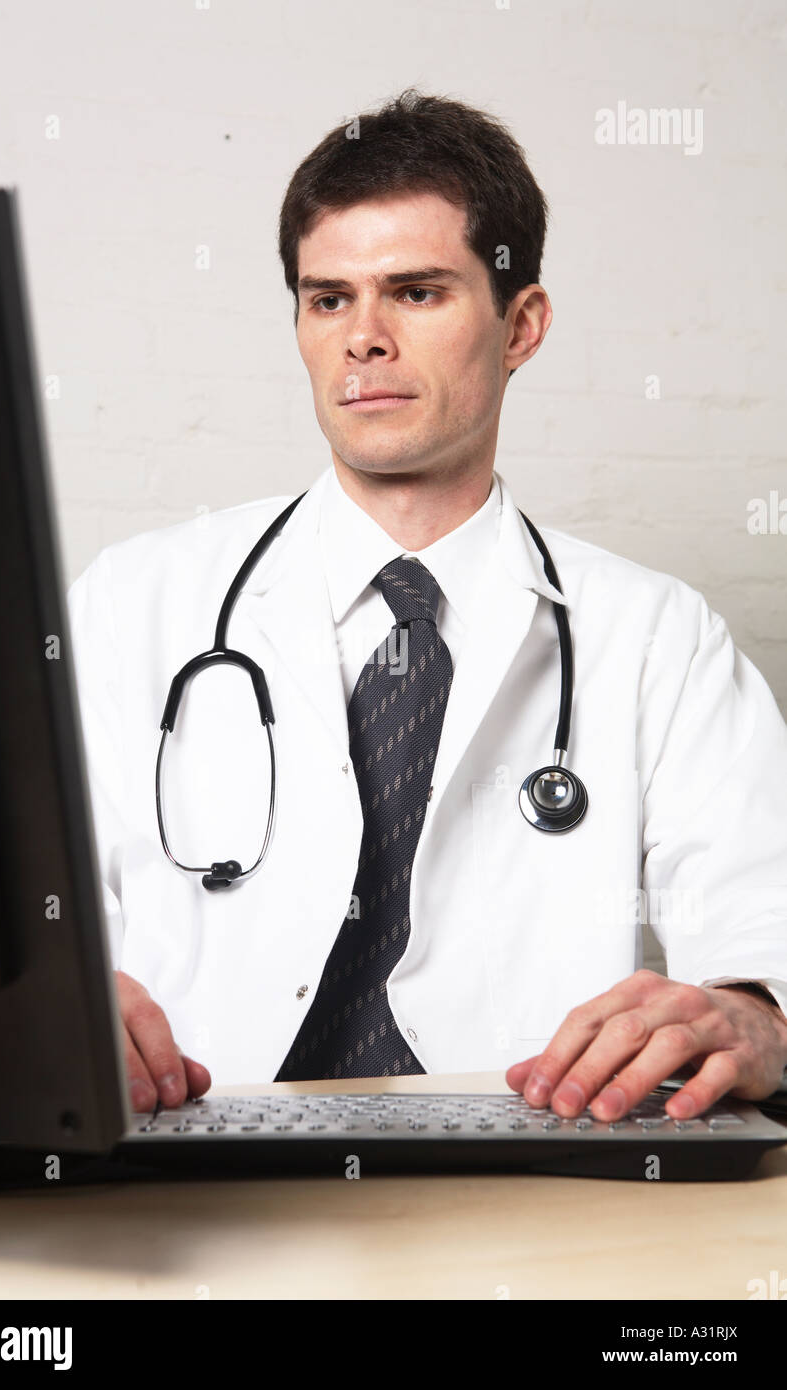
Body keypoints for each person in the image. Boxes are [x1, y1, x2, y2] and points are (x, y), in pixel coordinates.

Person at [67, 88, 787, 1121]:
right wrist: (52, 1005)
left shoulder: (656, 638)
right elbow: (9, 940)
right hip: (185, 1179)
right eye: (327, 299)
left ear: (521, 324)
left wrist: (745, 1013)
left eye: (414, 293)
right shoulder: (128, 608)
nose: (361, 338)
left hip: (525, 1187)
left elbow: (763, 937)